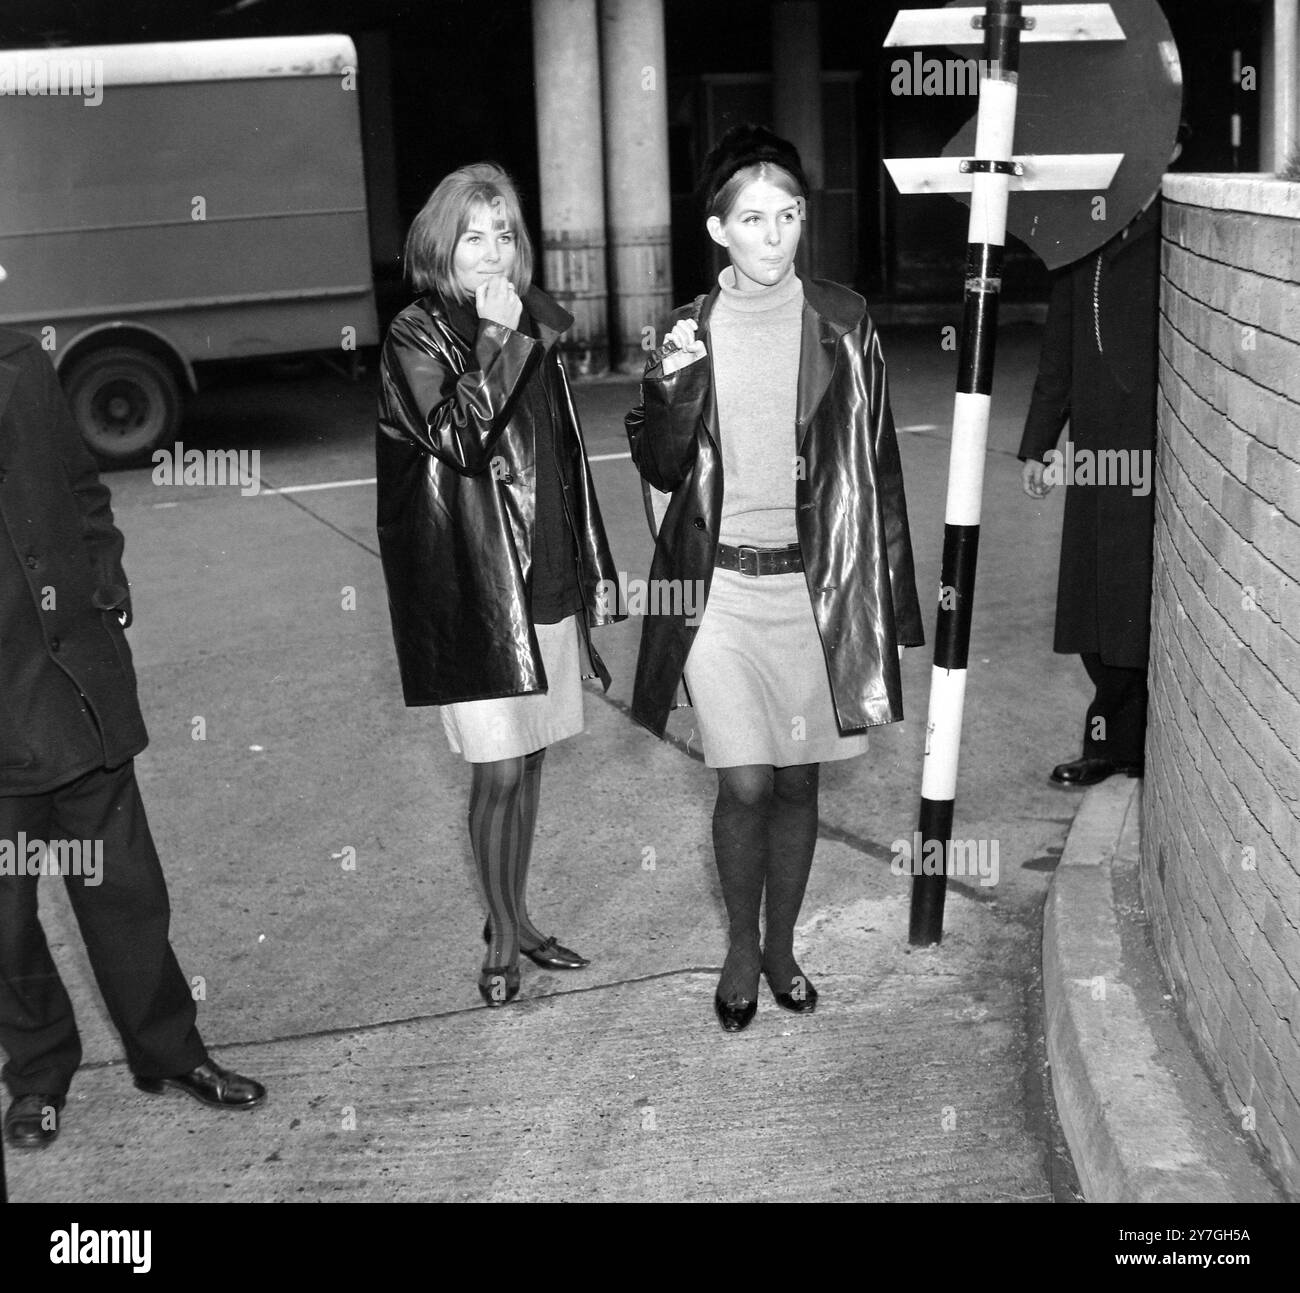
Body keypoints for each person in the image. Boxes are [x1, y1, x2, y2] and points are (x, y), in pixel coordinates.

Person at [625, 125, 924, 1033]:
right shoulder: (681, 332)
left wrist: (890, 604)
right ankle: (740, 951)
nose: (774, 235)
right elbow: (663, 471)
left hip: (815, 591)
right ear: (717, 230)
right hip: (720, 595)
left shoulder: (843, 318)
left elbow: (877, 467)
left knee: (799, 784)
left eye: (788, 215)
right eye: (752, 218)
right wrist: (680, 604)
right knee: (746, 782)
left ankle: (784, 944)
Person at [0, 327, 265, 1151]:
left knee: (127, 893)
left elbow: (81, 485)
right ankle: (39, 1071)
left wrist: (105, 580)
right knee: (3, 922)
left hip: (72, 681)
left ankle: (167, 1051)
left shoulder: (21, 362)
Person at [376, 163, 621, 1008]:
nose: (490, 252)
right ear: (442, 244)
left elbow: (563, 459)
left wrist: (591, 569)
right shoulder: (418, 333)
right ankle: (503, 942)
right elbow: (458, 437)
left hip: (543, 571)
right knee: (499, 772)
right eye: (472, 235)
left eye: (503, 234)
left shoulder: (531, 321)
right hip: (475, 592)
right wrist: (497, 339)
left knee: (535, 756)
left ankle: (513, 914)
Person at [1018, 183, 1166, 788]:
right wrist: (1038, 443)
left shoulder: (1177, 230)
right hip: (1097, 451)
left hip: (1157, 447)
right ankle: (1116, 743)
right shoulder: (1083, 234)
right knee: (1093, 605)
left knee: (1132, 602)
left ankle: (1119, 742)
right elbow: (1061, 346)